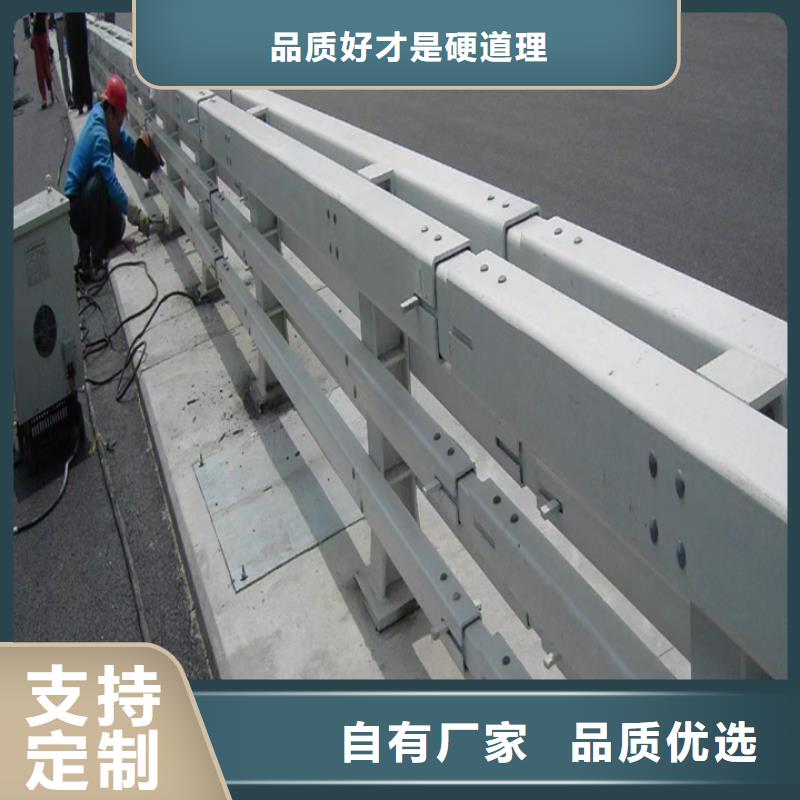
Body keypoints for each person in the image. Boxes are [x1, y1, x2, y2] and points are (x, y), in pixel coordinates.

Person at [64, 74, 161, 281]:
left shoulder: (103, 118)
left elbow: (123, 143)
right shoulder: (99, 135)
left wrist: (141, 158)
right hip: (77, 209)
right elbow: (110, 181)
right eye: (119, 121)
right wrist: (136, 214)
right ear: (111, 112)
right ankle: (95, 261)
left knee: (118, 228)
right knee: (101, 184)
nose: (120, 125)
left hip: (84, 201)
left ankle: (89, 247)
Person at [65, 13, 92, 114]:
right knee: (84, 63)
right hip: (79, 21)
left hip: (71, 24)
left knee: (75, 66)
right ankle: (88, 100)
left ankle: (79, 102)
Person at [30, 12, 53, 108]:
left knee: (46, 66)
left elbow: (45, 19)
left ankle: (50, 88)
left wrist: (48, 38)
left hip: (43, 36)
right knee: (39, 69)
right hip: (36, 37)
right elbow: (32, 21)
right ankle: (44, 98)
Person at [52, 12, 72, 108]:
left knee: (72, 57)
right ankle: (68, 96)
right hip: (60, 20)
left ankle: (75, 93)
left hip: (68, 18)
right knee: (64, 60)